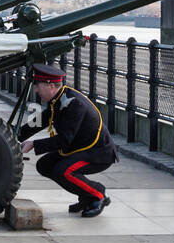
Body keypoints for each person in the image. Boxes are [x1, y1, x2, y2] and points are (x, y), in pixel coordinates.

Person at [19, 63, 118, 217]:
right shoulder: (59, 99)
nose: (36, 90)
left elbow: (64, 141)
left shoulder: (74, 104)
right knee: (45, 165)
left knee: (63, 171)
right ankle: (86, 196)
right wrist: (12, 135)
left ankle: (98, 194)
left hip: (98, 153)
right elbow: (37, 123)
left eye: (38, 86)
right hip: (79, 148)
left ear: (50, 85)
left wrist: (33, 144)